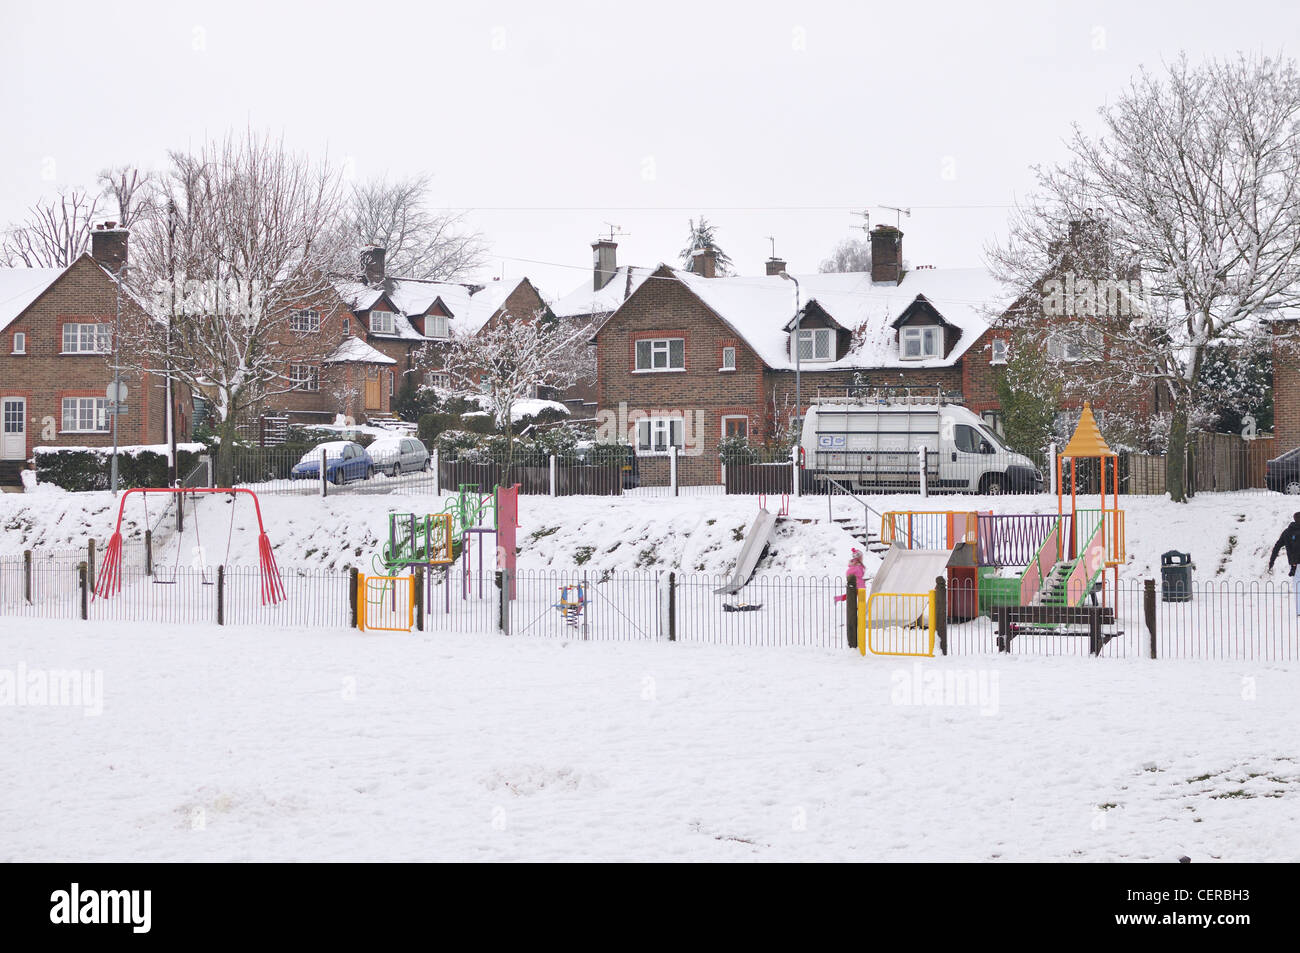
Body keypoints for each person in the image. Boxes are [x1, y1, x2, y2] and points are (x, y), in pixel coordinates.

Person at [1268, 512, 1300, 576]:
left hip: (1294, 566)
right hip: (1295, 566)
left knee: (1297, 584)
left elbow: (1276, 547)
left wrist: (1271, 562)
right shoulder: (1287, 532)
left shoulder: (1287, 532)